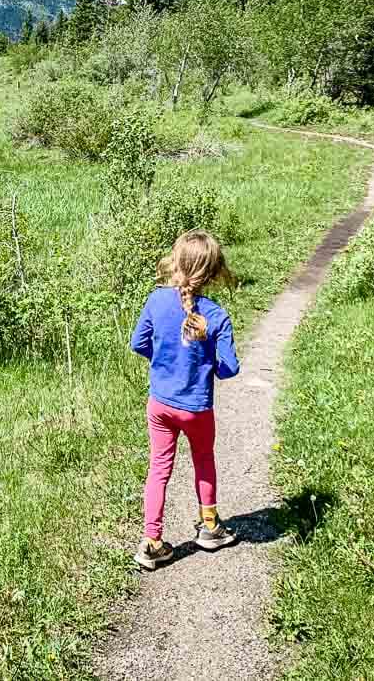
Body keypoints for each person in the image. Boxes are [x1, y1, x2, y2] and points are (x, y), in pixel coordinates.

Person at [129, 230, 241, 570]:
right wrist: (206, 353)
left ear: (176, 262)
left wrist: (164, 360)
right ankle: (209, 527)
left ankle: (152, 542)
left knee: (158, 468)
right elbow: (228, 370)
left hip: (160, 403)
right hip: (195, 408)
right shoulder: (216, 316)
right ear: (213, 271)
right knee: (203, 460)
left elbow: (138, 344)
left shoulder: (155, 301)